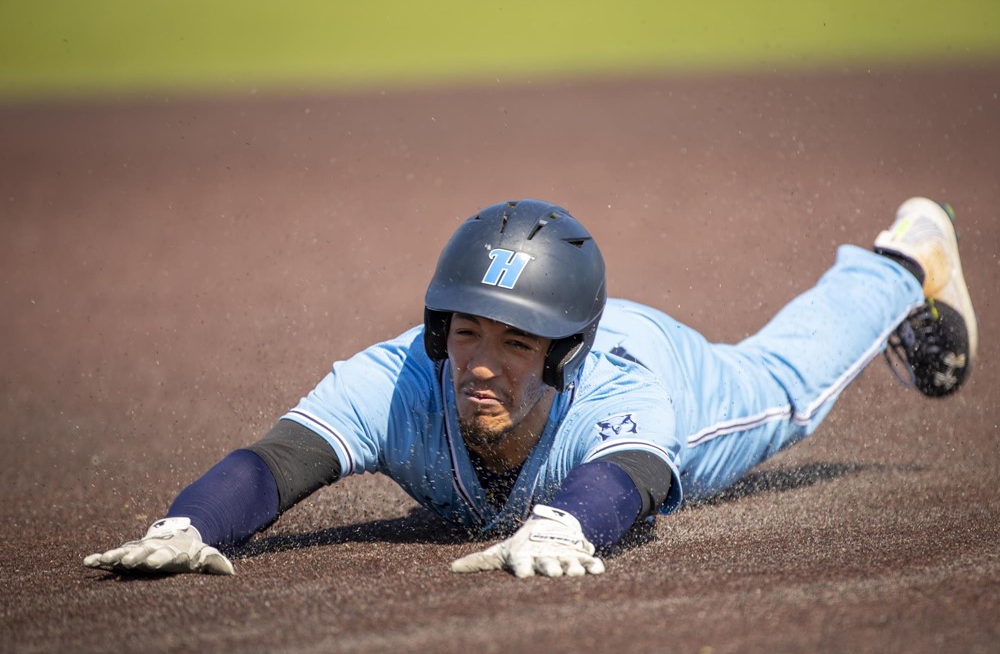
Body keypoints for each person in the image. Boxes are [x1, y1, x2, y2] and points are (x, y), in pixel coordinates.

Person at [84, 197, 977, 578]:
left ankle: (905, 258)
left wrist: (563, 524)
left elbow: (627, 472)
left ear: (561, 354)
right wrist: (192, 521)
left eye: (515, 342)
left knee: (785, 390)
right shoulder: (400, 377)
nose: (480, 359)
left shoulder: (621, 384)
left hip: (664, 363)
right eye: (467, 328)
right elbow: (278, 459)